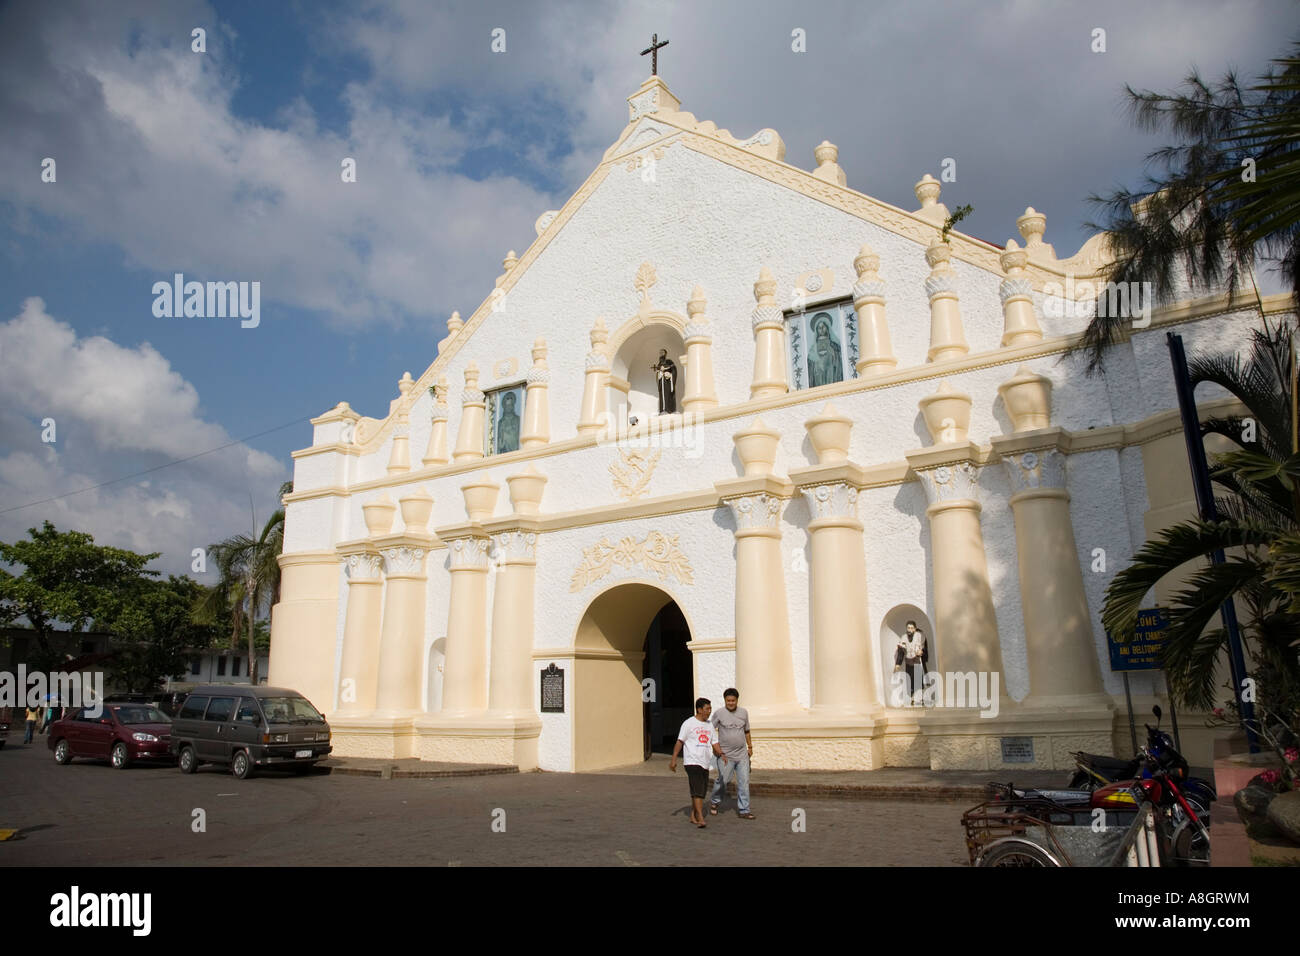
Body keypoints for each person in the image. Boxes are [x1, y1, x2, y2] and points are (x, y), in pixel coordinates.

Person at [670, 697, 725, 828]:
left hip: (704, 761)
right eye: (707, 709)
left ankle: (693, 815)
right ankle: (700, 817)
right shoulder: (688, 723)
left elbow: (714, 742)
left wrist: (722, 754)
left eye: (710, 708)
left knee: (700, 789)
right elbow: (680, 741)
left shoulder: (709, 725)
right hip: (692, 761)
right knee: (698, 790)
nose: (709, 711)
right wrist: (673, 759)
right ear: (699, 709)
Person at [708, 688, 754, 819]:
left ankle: (744, 809)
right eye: (728, 701)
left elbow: (747, 731)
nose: (731, 703)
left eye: (733, 700)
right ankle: (715, 801)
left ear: (737, 700)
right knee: (724, 780)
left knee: (744, 782)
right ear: (725, 700)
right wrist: (715, 748)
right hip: (725, 755)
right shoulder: (719, 714)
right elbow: (710, 731)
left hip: (742, 755)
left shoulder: (744, 713)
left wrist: (750, 747)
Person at [807, 312, 844, 386]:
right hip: (818, 374)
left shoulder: (834, 345)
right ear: (816, 330)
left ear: (827, 327)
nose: (821, 329)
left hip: (831, 372)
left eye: (823, 326)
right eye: (819, 328)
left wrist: (833, 353)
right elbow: (810, 363)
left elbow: (838, 359)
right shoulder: (813, 348)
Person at [902, 621, 927, 705]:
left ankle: (919, 698)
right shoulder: (904, 637)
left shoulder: (919, 636)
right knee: (910, 680)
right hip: (908, 662)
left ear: (915, 629)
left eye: (912, 628)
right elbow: (902, 649)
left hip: (917, 661)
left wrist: (921, 652)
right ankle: (912, 698)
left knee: (919, 680)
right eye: (908, 628)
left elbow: (922, 647)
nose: (910, 630)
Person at [651, 349, 677, 414]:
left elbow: (674, 371)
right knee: (662, 396)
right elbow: (657, 375)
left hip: (667, 382)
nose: (661, 354)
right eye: (660, 353)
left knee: (667, 395)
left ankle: (669, 409)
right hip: (661, 382)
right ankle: (662, 410)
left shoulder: (669, 362)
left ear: (665, 354)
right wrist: (660, 374)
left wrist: (670, 375)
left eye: (662, 353)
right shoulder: (659, 364)